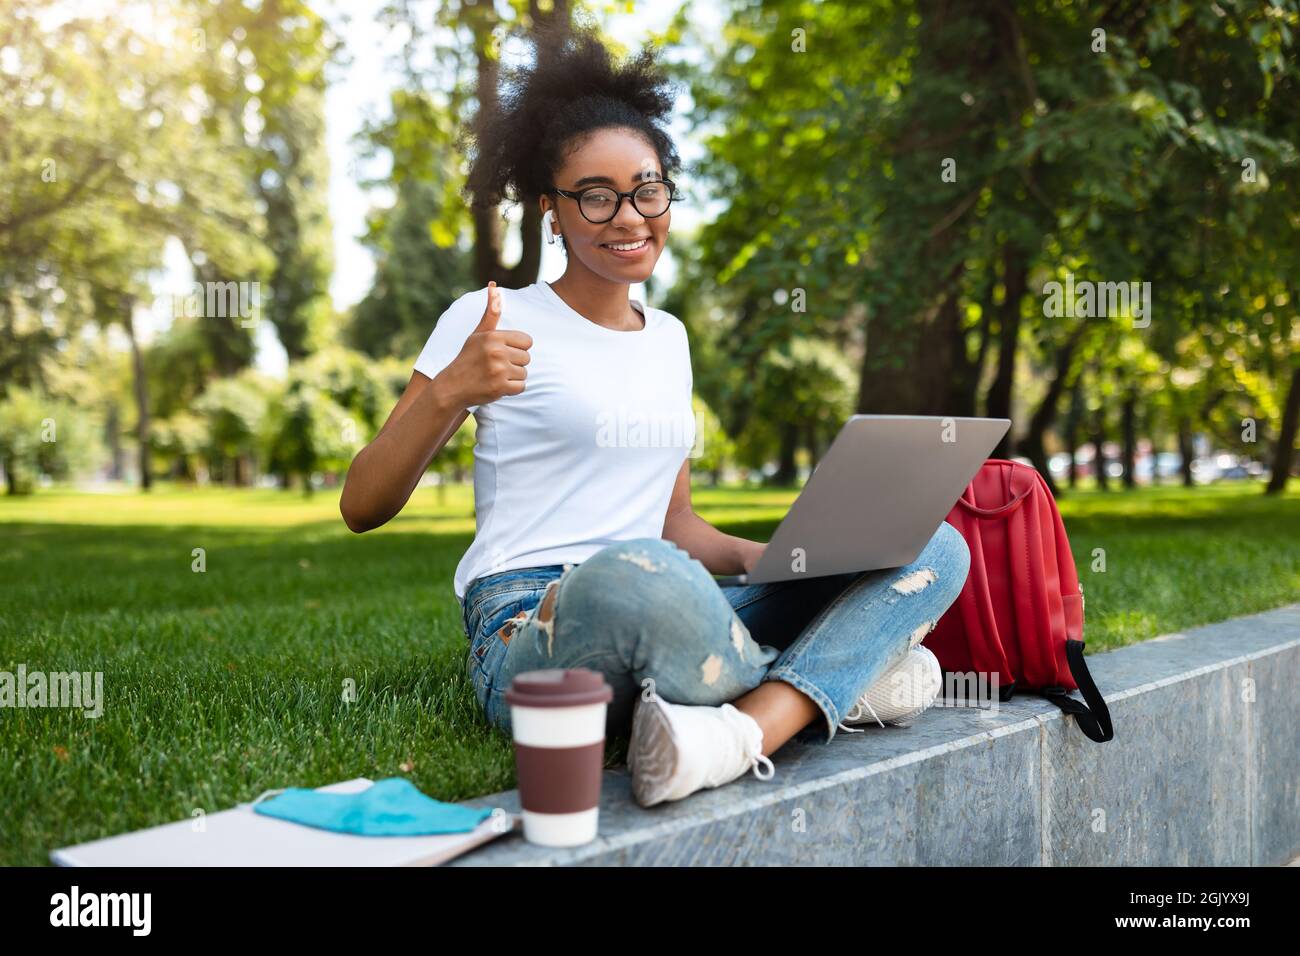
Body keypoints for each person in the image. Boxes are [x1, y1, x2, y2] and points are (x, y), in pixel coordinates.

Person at [339, 23, 970, 808]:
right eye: (596, 196)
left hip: (675, 592)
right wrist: (450, 390)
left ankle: (738, 733)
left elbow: (677, 525)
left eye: (647, 188)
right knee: (637, 581)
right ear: (552, 210)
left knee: (932, 544)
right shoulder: (488, 316)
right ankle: (839, 679)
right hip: (537, 622)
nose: (629, 215)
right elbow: (362, 506)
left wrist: (779, 557)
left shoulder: (668, 338)